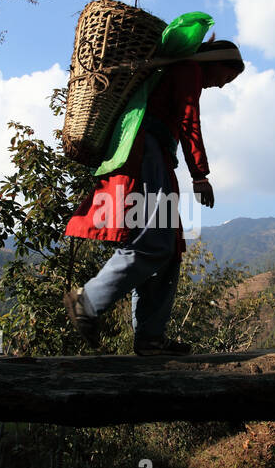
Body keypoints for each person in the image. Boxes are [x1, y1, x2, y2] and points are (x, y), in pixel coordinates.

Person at [63, 40, 244, 355]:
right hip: (146, 155)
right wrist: (200, 174)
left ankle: (150, 338)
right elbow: (189, 121)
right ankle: (87, 301)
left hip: (159, 158)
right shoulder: (188, 70)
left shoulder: (180, 72)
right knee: (153, 242)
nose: (221, 85)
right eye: (224, 78)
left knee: (169, 250)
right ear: (215, 62)